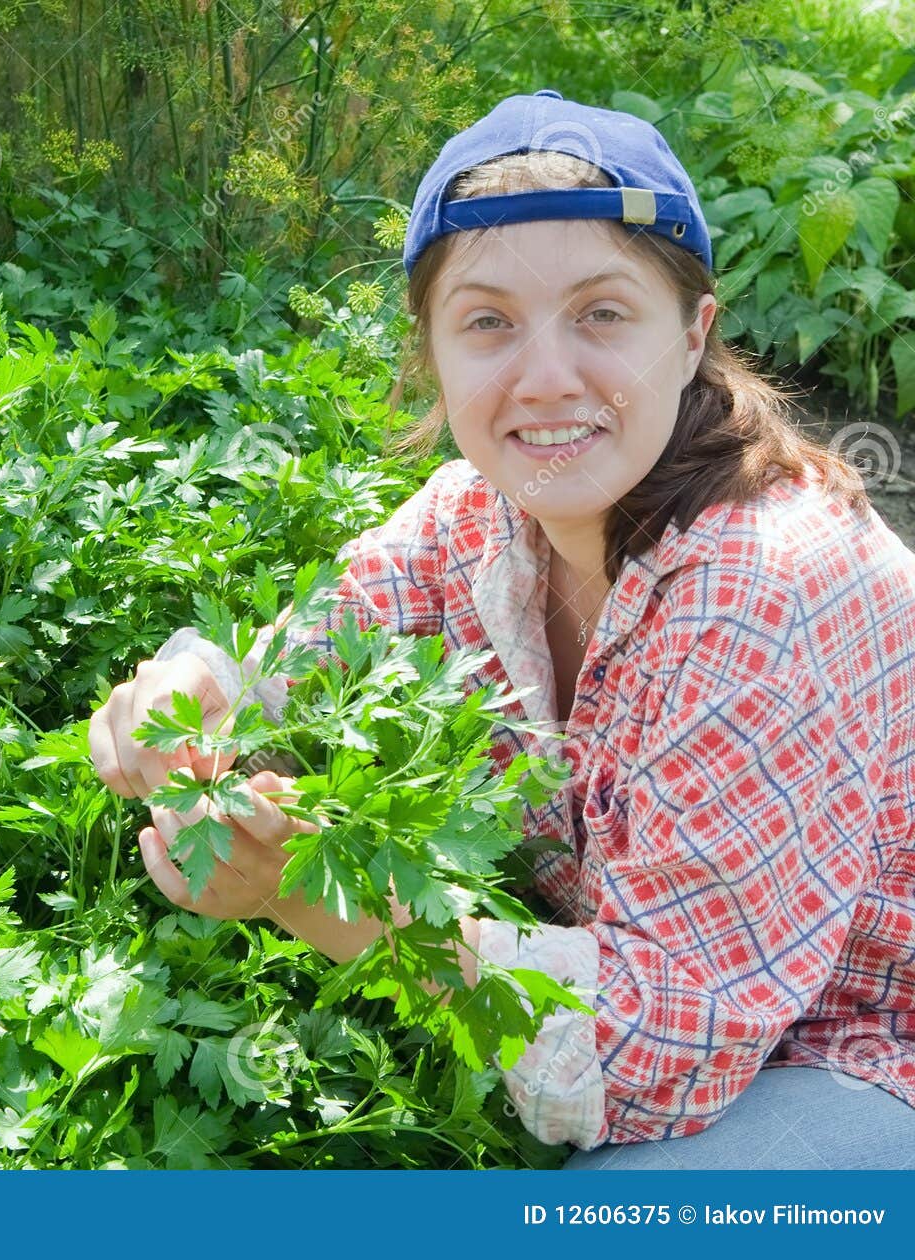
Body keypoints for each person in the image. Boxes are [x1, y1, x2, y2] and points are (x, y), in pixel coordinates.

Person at [88, 89, 915, 1169]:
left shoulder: (766, 583)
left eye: (601, 314)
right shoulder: (478, 521)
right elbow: (293, 662)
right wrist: (188, 695)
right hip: (716, 1004)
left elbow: (664, 1048)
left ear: (692, 336)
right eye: (487, 322)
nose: (544, 377)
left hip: (857, 1039)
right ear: (432, 351)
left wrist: (317, 896)